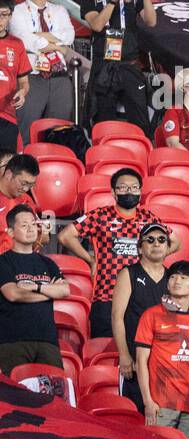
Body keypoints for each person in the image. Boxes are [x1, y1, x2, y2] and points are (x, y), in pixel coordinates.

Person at [58, 167, 174, 339]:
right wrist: (90, 259)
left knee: (142, 352)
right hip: (107, 295)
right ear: (113, 192)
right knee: (105, 352)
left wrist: (154, 257)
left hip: (140, 298)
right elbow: (65, 235)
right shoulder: (100, 215)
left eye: (134, 188)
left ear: (141, 191)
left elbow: (175, 241)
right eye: (124, 188)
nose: (130, 191)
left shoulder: (148, 218)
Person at [82, 0, 156, 132]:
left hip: (130, 65)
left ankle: (142, 156)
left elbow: (151, 21)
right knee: (104, 122)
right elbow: (97, 25)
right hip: (104, 67)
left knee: (140, 121)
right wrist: (113, 1)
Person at [135, 261, 189, 439]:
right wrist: (148, 401)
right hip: (160, 405)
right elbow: (141, 361)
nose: (177, 281)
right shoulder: (152, 315)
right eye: (173, 277)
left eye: (184, 278)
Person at [9, 0, 75, 141]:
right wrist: (57, 46)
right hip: (31, 78)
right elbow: (26, 42)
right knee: (27, 131)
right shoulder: (17, 12)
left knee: (60, 131)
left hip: (59, 76)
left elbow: (69, 36)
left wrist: (40, 38)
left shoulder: (59, 10)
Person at [0, 205, 67, 372]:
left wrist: (35, 287)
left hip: (47, 340)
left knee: (55, 393)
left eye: (33, 224)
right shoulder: (4, 262)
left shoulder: (47, 263)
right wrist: (49, 292)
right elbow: (13, 294)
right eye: (24, 225)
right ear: (10, 232)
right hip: (13, 340)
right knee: (16, 394)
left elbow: (65, 291)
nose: (31, 229)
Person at [111, 221, 169, 410]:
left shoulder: (174, 278)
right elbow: (117, 317)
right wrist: (124, 355)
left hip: (164, 361)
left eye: (162, 240)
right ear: (140, 248)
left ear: (168, 247)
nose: (156, 244)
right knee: (134, 414)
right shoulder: (128, 273)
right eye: (150, 240)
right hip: (135, 360)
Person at [0, 0, 32, 149]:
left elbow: (24, 82)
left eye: (4, 15)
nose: (0, 19)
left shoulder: (17, 44)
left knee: (6, 164)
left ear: (10, 16)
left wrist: (22, 92)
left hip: (7, 114)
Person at [0, 154, 41, 257]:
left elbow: (42, 237)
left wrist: (41, 234)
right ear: (9, 174)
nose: (26, 189)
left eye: (30, 185)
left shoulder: (26, 200)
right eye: (23, 183)